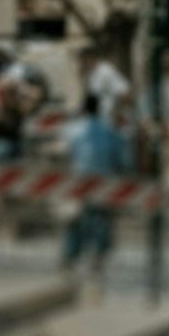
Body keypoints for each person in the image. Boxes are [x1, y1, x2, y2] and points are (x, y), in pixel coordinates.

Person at [60, 89, 134, 280]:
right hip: (103, 180)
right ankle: (98, 256)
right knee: (101, 218)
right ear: (99, 109)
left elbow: (65, 150)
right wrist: (123, 173)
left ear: (83, 108)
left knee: (76, 219)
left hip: (80, 179)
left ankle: (71, 255)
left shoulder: (74, 128)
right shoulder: (108, 129)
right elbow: (121, 156)